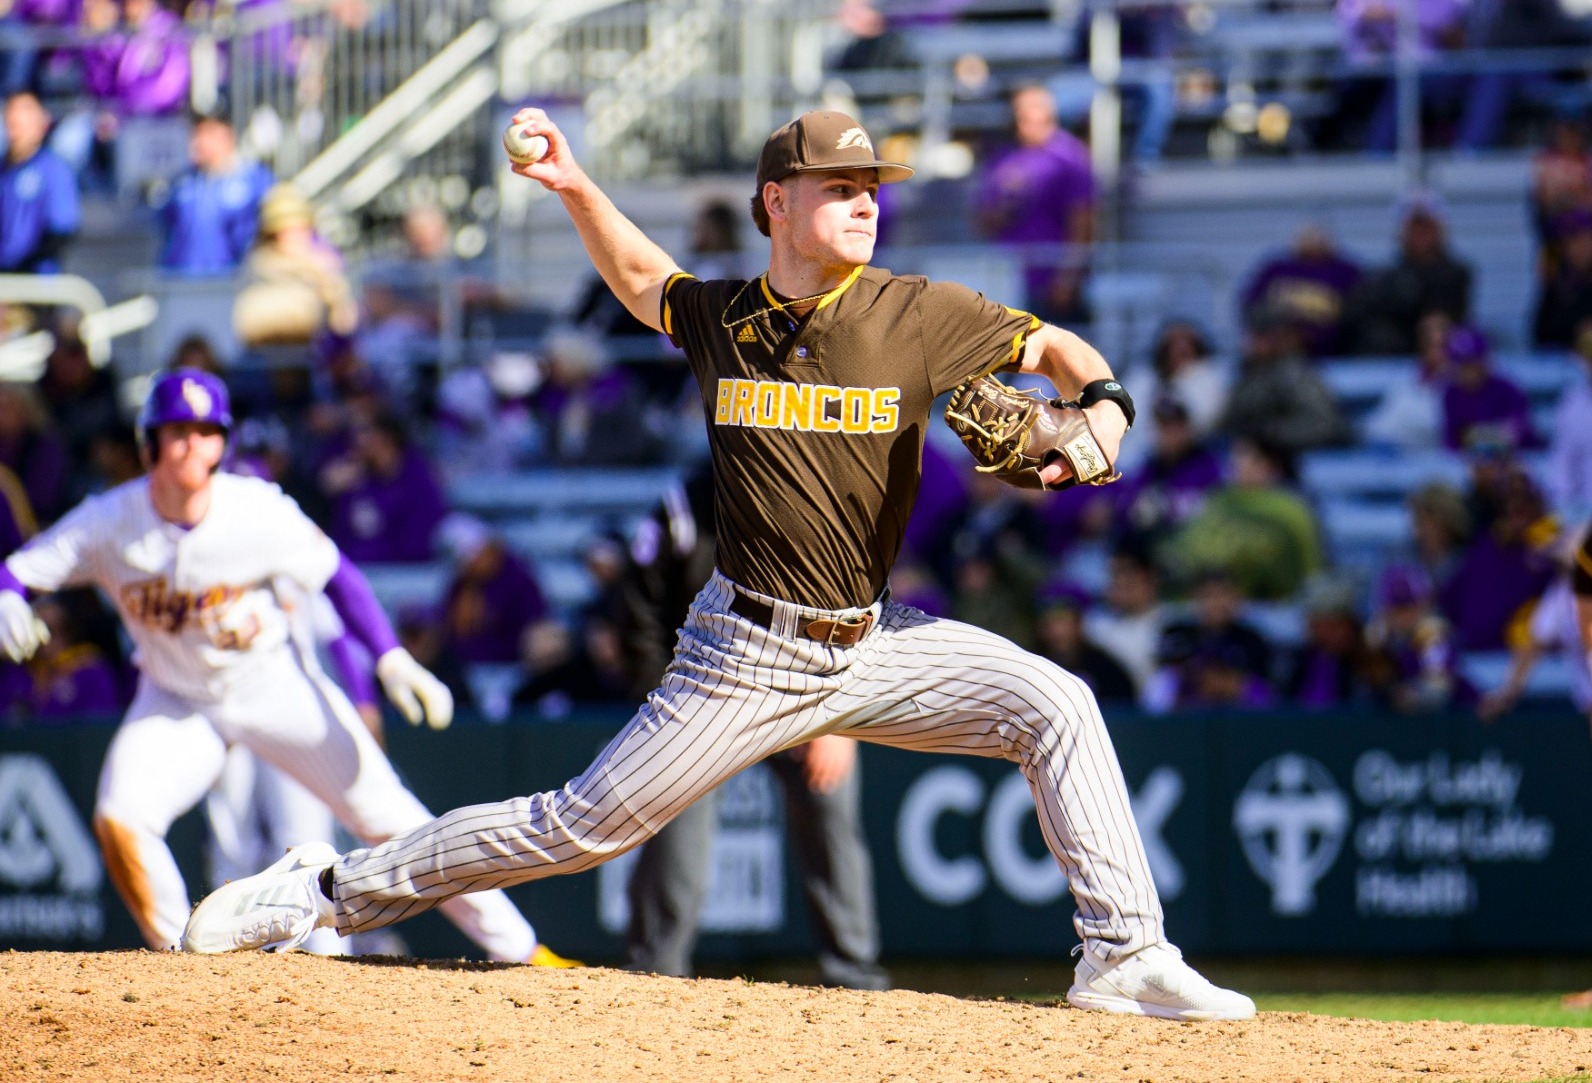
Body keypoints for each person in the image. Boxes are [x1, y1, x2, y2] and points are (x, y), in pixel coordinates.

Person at [179, 107, 1255, 1022]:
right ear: (774, 203)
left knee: (1057, 703)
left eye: (871, 185)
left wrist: (1104, 409)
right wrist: (569, 181)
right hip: (740, 651)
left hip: (871, 638)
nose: (866, 201)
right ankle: (318, 892)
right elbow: (643, 276)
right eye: (839, 186)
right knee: (574, 828)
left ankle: (1121, 953)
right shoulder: (725, 319)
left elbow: (1058, 349)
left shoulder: (918, 314)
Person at [0, 367, 575, 966]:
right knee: (122, 816)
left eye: (204, 431)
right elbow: (20, 569)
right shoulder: (110, 520)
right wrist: (9, 595)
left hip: (271, 682)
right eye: (175, 431)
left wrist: (391, 658)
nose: (190, 445)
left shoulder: (255, 510)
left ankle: (523, 949)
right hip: (177, 700)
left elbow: (338, 577)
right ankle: (181, 960)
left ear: (222, 442)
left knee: (391, 817)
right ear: (148, 444)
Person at [615, 459, 890, 990]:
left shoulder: (807, 495)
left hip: (801, 684)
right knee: (671, 814)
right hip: (700, 689)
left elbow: (859, 604)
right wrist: (660, 706)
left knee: (831, 808)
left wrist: (842, 719)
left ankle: (855, 975)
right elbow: (639, 616)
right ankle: (654, 971)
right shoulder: (684, 510)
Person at [973, 84, 1095, 325]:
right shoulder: (1003, 158)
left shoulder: (1069, 158)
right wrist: (1006, 208)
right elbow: (983, 221)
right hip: (1007, 279)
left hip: (1051, 282)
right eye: (1017, 110)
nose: (1020, 117)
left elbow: (1083, 222)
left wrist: (1067, 279)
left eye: (1028, 110)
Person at [154, 107, 276, 277]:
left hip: (231, 285)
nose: (199, 142)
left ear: (228, 136)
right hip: (182, 283)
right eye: (195, 134)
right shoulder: (183, 184)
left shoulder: (256, 181)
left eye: (208, 133)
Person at [0, 91, 79, 274]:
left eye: (20, 123)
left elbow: (61, 229)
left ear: (41, 124)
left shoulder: (53, 169)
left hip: (35, 285)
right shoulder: (4, 170)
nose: (15, 131)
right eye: (11, 123)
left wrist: (18, 269)